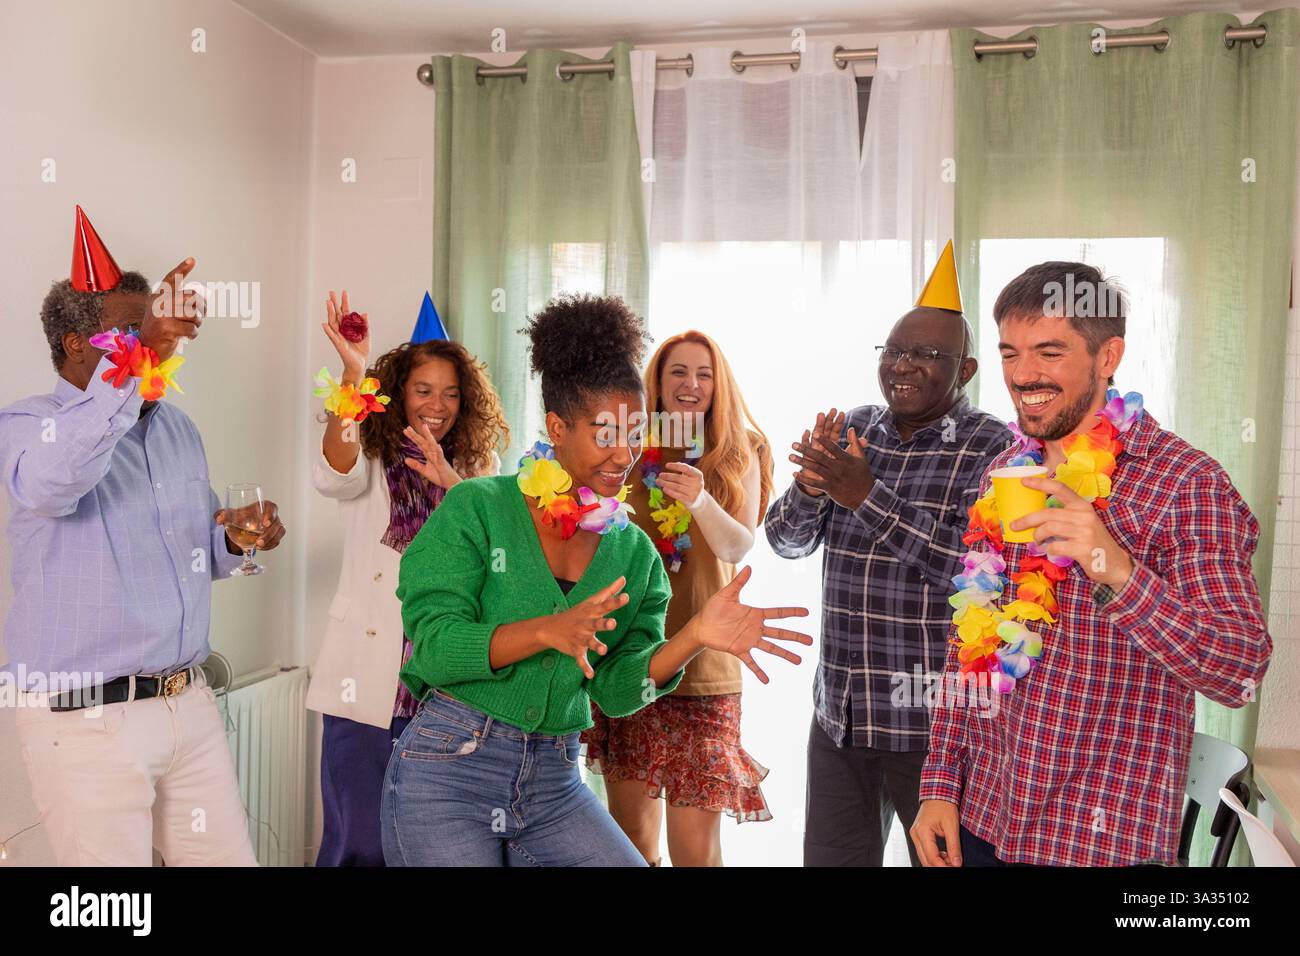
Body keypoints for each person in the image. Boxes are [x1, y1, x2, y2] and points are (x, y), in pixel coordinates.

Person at [381, 293, 811, 867]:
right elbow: (432, 650)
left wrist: (693, 637)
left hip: (555, 782)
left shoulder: (632, 551)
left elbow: (614, 690)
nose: (625, 454)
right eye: (605, 433)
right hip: (450, 768)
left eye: (636, 434)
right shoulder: (477, 507)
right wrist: (547, 630)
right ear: (557, 427)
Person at [909, 261, 1272, 867]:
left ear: (1108, 357)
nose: (1024, 375)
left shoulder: (1188, 484)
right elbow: (968, 641)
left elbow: (1239, 671)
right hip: (983, 819)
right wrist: (940, 783)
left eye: (1049, 352)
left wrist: (1114, 566)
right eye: (1009, 353)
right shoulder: (1004, 468)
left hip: (1100, 843)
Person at [0, 207, 285, 866]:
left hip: (189, 707)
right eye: (129, 332)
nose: (153, 347)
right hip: (87, 722)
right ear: (75, 345)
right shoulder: (28, 425)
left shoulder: (177, 428)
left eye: (150, 329)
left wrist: (239, 539)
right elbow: (51, 485)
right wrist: (142, 356)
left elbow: (198, 548)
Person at [766, 242, 1010, 866]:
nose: (904, 365)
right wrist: (812, 486)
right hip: (840, 714)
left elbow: (979, 575)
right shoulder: (857, 426)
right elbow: (785, 542)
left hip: (931, 727)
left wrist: (866, 496)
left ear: (968, 368)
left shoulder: (992, 448)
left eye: (928, 354)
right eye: (895, 350)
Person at [306, 289, 507, 866]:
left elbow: (497, 560)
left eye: (450, 392)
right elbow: (332, 473)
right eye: (423, 390)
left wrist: (451, 482)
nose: (437, 404)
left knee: (428, 842)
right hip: (363, 680)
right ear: (399, 393)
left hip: (443, 683)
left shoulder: (477, 470)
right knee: (358, 840)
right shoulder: (369, 449)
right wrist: (352, 375)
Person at [582, 330, 775, 867]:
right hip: (630, 659)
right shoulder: (628, 446)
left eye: (704, 374)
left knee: (696, 852)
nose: (691, 384)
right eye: (678, 373)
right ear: (658, 384)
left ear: (719, 385)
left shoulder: (742, 447)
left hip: (707, 664)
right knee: (634, 845)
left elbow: (739, 543)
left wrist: (701, 500)